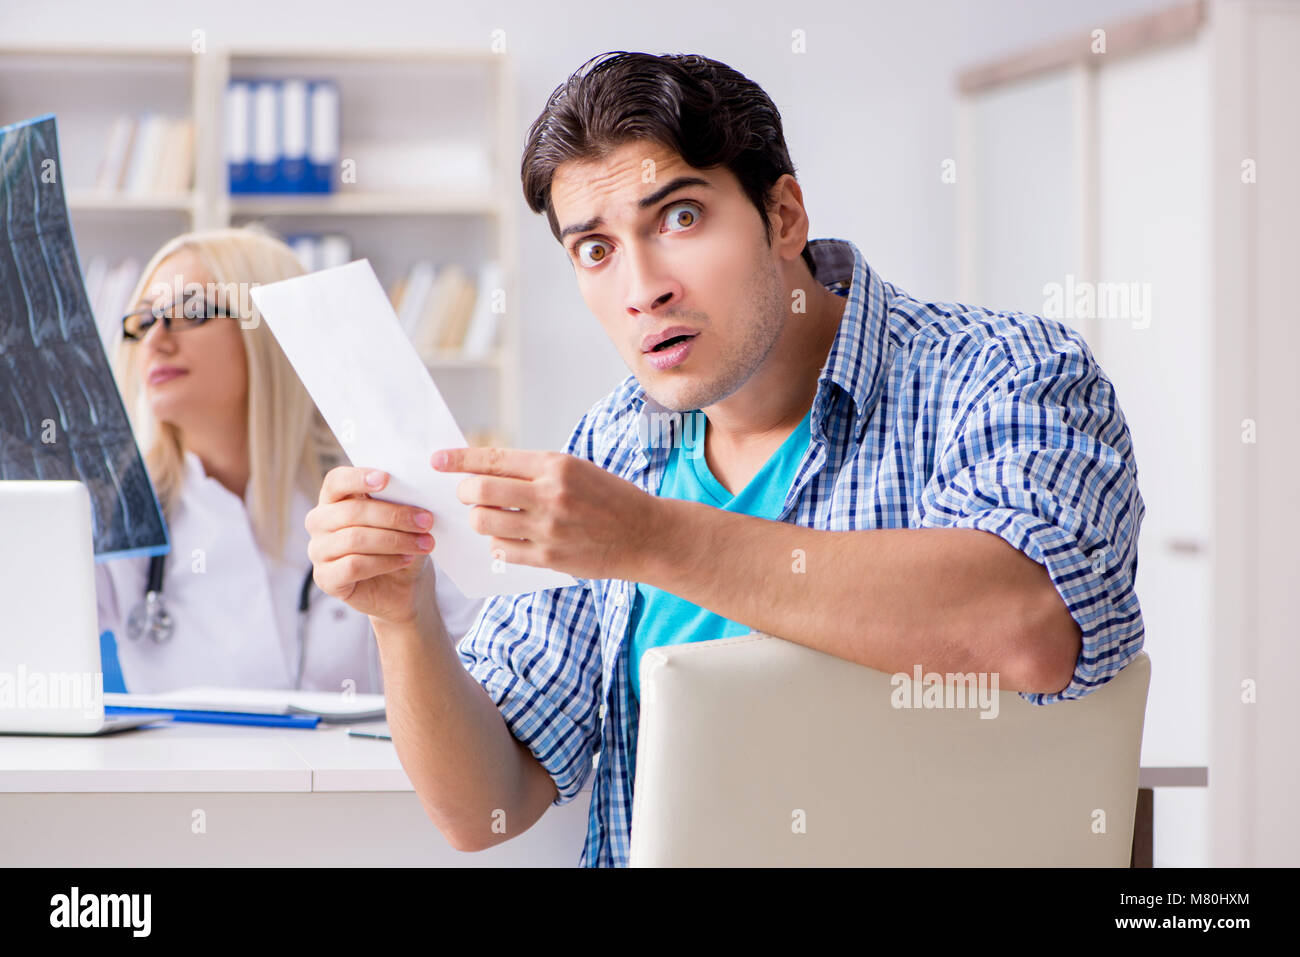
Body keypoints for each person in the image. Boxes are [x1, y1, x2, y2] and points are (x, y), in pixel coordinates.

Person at [303, 52, 1146, 865]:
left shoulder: (1004, 372)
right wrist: (401, 617)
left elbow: (1033, 622)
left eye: (678, 218)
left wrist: (651, 539)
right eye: (595, 249)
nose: (643, 287)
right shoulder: (610, 445)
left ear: (783, 215)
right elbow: (486, 804)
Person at [95, 227, 482, 693]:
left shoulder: (388, 488)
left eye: (191, 312)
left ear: (273, 330)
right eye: (142, 321)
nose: (155, 340)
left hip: (359, 767)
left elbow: (481, 667)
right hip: (188, 769)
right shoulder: (116, 511)